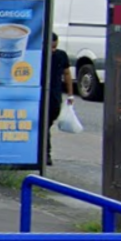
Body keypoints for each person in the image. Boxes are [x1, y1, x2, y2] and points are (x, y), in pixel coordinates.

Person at [48, 33, 73, 166]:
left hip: (54, 94)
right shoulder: (41, 54)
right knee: (44, 125)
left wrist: (70, 94)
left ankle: (45, 152)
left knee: (48, 122)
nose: (53, 50)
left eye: (54, 47)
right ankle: (46, 153)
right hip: (46, 93)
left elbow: (67, 74)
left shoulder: (60, 55)